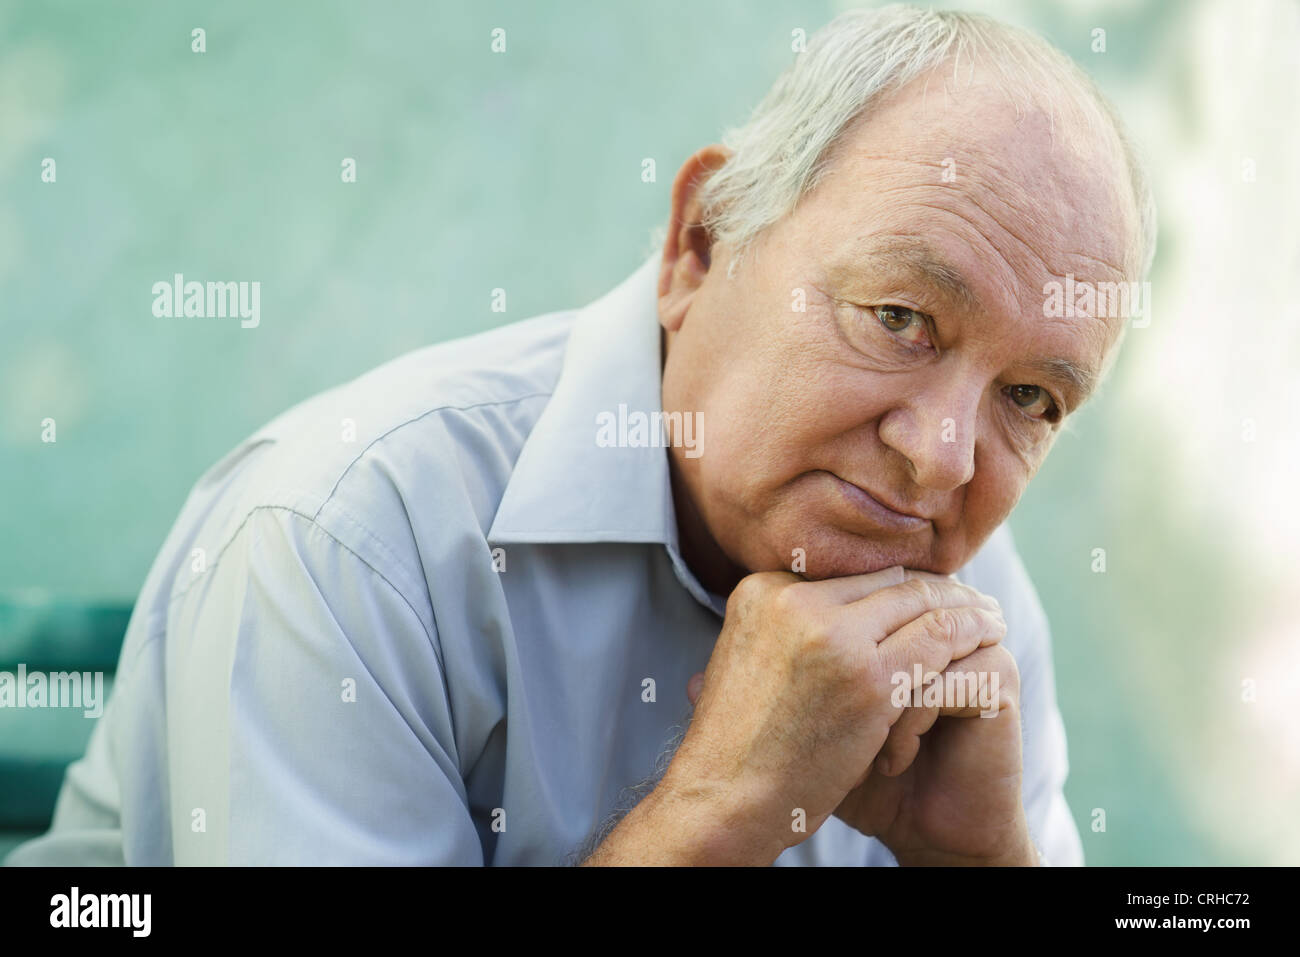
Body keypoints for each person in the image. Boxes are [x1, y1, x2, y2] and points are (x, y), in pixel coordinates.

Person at [7, 4, 1154, 866]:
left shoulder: (975, 608)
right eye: (899, 318)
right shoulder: (346, 537)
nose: (944, 456)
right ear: (700, 246)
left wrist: (982, 863)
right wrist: (719, 812)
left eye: (1031, 400)